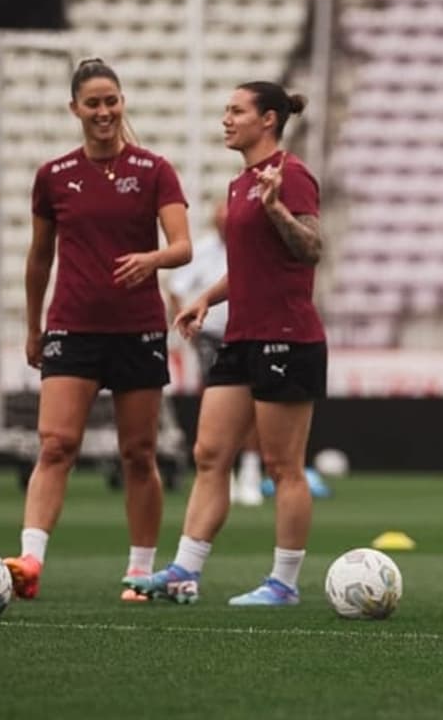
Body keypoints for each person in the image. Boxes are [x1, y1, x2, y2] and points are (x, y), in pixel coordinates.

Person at [125, 81, 326, 607]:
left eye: (236, 111)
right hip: (241, 336)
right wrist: (206, 301)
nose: (226, 119)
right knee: (210, 453)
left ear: (268, 120)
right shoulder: (240, 185)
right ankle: (183, 572)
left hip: (286, 337)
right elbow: (249, 267)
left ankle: (283, 584)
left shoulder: (292, 175)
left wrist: (278, 209)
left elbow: (312, 249)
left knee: (284, 466)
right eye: (226, 110)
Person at [4, 56, 192, 602]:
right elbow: (39, 258)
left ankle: (139, 572)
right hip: (72, 326)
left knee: (138, 453)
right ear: (75, 109)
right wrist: (34, 325)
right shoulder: (53, 176)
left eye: (112, 100)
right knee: (56, 444)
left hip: (137, 328)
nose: (104, 111)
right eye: (93, 102)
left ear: (122, 103)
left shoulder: (155, 169)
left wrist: (151, 261)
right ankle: (31, 560)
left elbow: (182, 246)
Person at [166, 202, 264, 507]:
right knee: (220, 405)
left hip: (251, 331)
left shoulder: (254, 248)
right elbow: (177, 289)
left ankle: (250, 472)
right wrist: (188, 320)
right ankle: (226, 473)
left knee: (254, 403)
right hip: (212, 336)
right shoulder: (203, 251)